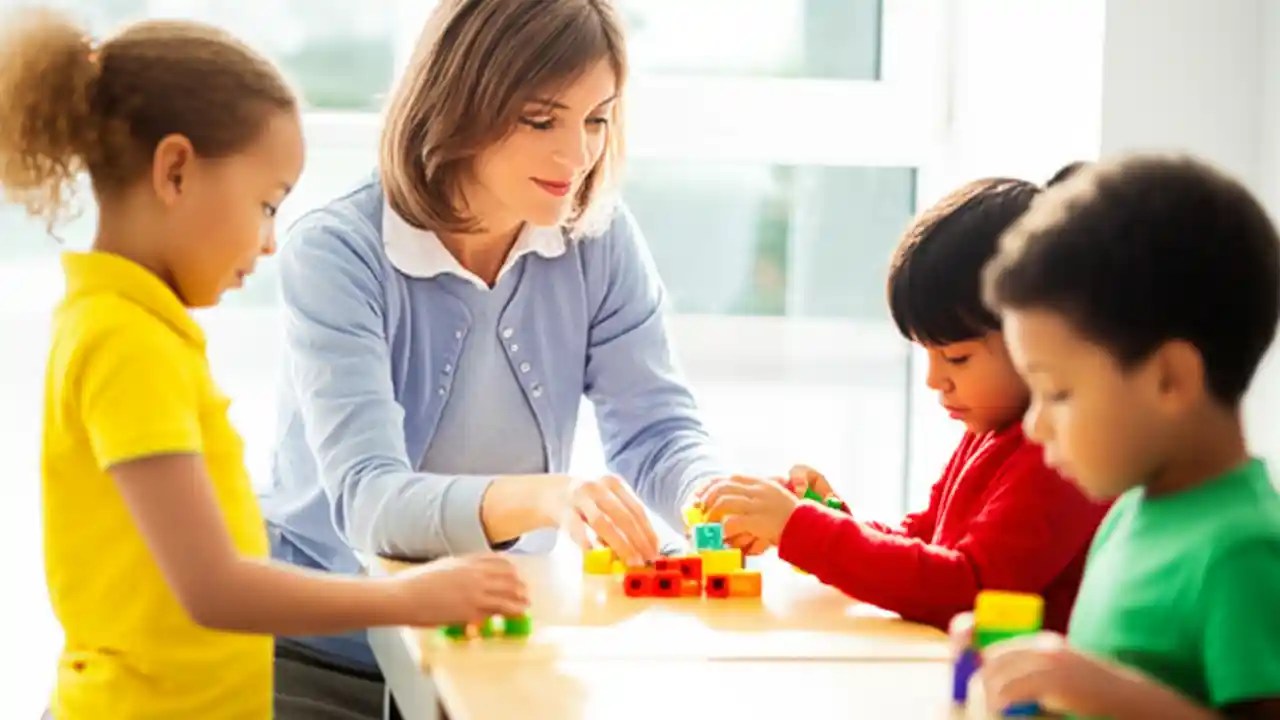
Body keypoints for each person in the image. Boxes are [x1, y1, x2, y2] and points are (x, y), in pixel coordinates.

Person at [0, 10, 526, 718]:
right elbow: (213, 587)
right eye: (266, 205)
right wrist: (403, 597)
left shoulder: (134, 327)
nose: (272, 242)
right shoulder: (126, 344)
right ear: (176, 171)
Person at [259, 0, 728, 714]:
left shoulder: (597, 238)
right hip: (322, 652)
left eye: (596, 119)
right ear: (457, 104)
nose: (577, 156)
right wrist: (546, 496)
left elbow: (657, 431)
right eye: (541, 120)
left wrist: (715, 498)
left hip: (487, 647)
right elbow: (371, 502)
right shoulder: (338, 252)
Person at [700, 169, 1107, 632]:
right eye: (927, 354)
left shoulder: (1057, 458)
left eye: (956, 358)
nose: (935, 380)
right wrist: (819, 519)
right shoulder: (991, 430)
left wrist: (802, 529)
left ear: (1034, 335)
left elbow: (965, 587)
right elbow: (925, 544)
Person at [972, 155, 1280, 718]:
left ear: (1170, 380)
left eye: (1057, 392)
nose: (1035, 425)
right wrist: (1034, 676)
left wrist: (1100, 690)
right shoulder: (1130, 513)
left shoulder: (1244, 551)